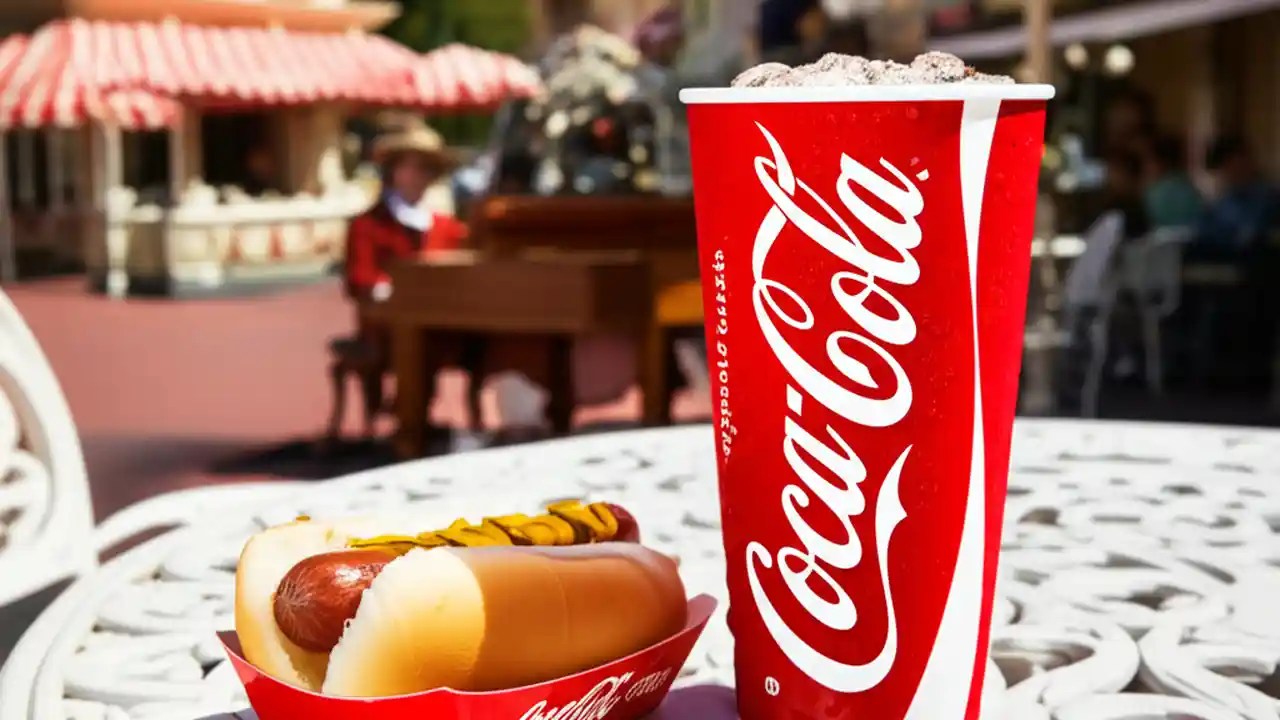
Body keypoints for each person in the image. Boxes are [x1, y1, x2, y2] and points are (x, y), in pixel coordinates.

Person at [345, 120, 468, 303]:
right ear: (393, 170)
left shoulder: (448, 228)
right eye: (410, 167)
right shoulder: (367, 225)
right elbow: (360, 279)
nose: (418, 176)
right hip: (389, 323)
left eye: (426, 169)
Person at [1195, 135, 1278, 256]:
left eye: (1227, 167)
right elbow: (1203, 233)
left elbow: (1250, 238)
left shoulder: (1268, 199)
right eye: (1221, 170)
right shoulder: (1220, 204)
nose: (1225, 176)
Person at [1142, 135, 1203, 230]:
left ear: (1161, 161)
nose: (1147, 167)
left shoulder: (1154, 192)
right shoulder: (1191, 188)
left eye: (1149, 161)